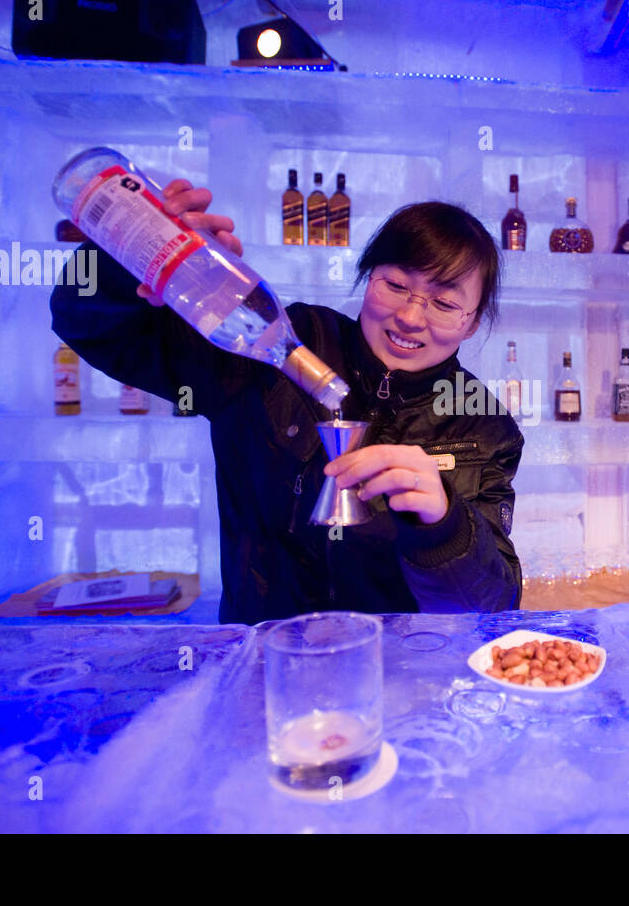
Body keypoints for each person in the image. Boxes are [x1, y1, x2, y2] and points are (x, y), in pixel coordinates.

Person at [50, 179, 524, 624]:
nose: (410, 317)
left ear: (473, 321)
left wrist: (444, 526)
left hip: (404, 676)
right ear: (368, 276)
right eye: (396, 285)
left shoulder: (483, 427)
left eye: (443, 304)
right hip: (266, 663)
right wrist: (133, 255)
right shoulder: (280, 345)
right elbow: (95, 331)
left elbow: (491, 607)